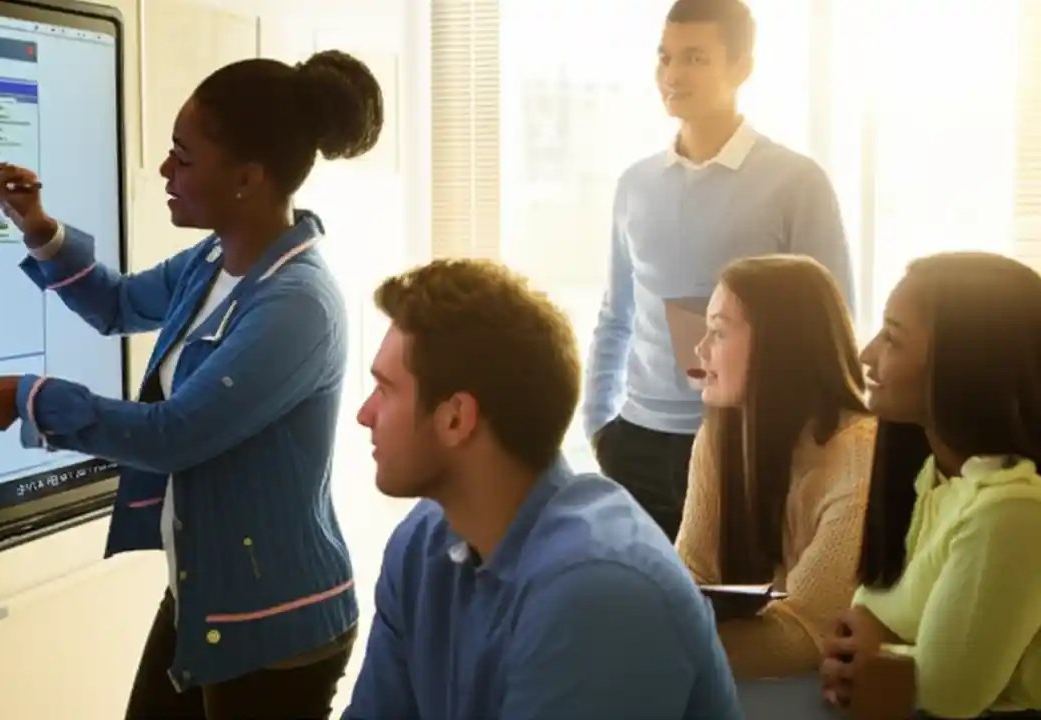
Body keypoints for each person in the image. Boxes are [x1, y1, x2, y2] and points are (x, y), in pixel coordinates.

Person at [0, 50, 385, 719]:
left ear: (247, 178)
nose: (165, 170)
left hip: (279, 623)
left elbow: (176, 436)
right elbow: (115, 304)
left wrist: (25, 397)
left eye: (182, 157)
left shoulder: (297, 305)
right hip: (210, 596)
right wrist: (38, 228)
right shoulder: (213, 261)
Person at [343, 259, 742, 719]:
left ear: (456, 418)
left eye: (386, 390)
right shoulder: (422, 544)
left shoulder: (598, 591)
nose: (365, 414)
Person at [583, 0, 854, 540]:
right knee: (641, 610)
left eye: (695, 58)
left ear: (742, 67)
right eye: (665, 57)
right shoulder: (636, 183)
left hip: (747, 440)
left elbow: (834, 322)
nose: (673, 74)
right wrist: (600, 426)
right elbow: (617, 314)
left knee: (732, 616)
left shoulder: (795, 181)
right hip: (637, 440)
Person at [820, 252, 1041, 719]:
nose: (867, 354)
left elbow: (948, 693)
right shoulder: (935, 474)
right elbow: (866, 617)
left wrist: (881, 655)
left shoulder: (1013, 510)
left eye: (893, 339)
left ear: (963, 363)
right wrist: (887, 651)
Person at [674, 255, 876, 679]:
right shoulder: (720, 436)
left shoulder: (861, 457)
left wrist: (657, 651)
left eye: (718, 331)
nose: (700, 349)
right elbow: (689, 578)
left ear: (779, 344)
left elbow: (807, 634)